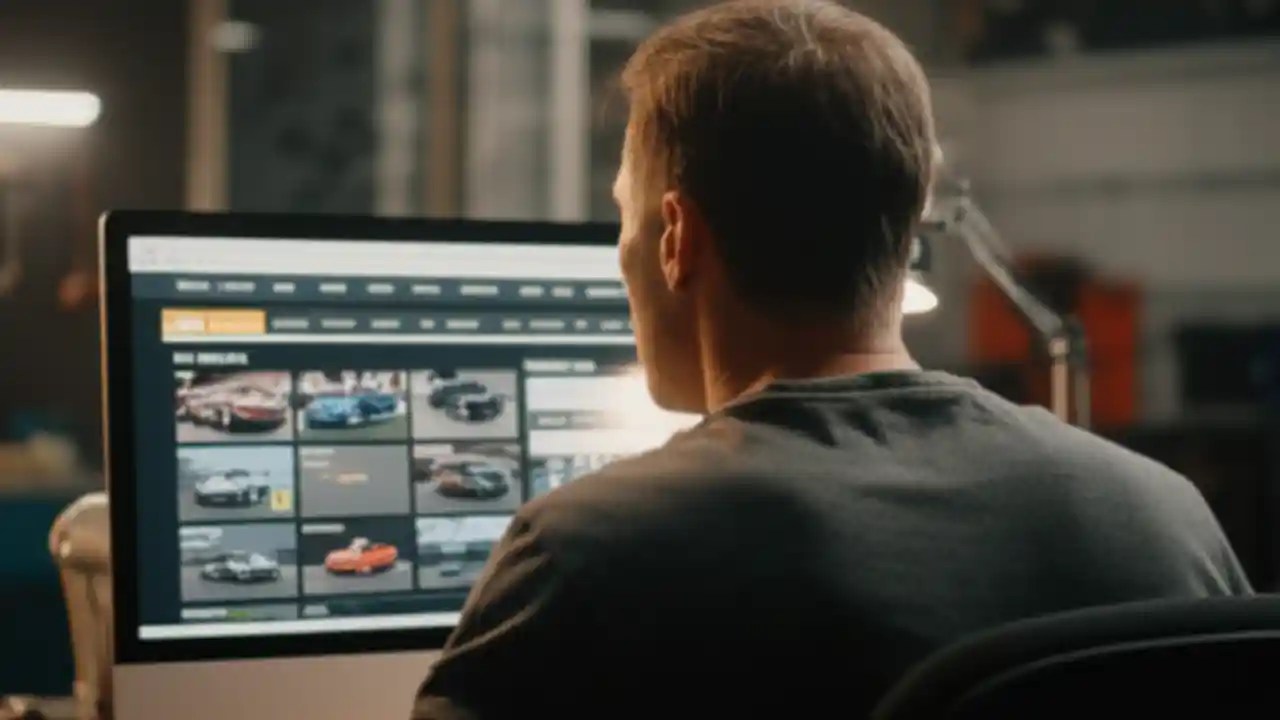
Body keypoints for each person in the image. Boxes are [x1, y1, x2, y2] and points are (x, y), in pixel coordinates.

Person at [412, 1, 1252, 716]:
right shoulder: (1161, 517)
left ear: (676, 238)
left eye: (624, 217)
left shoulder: (588, 556)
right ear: (906, 216)